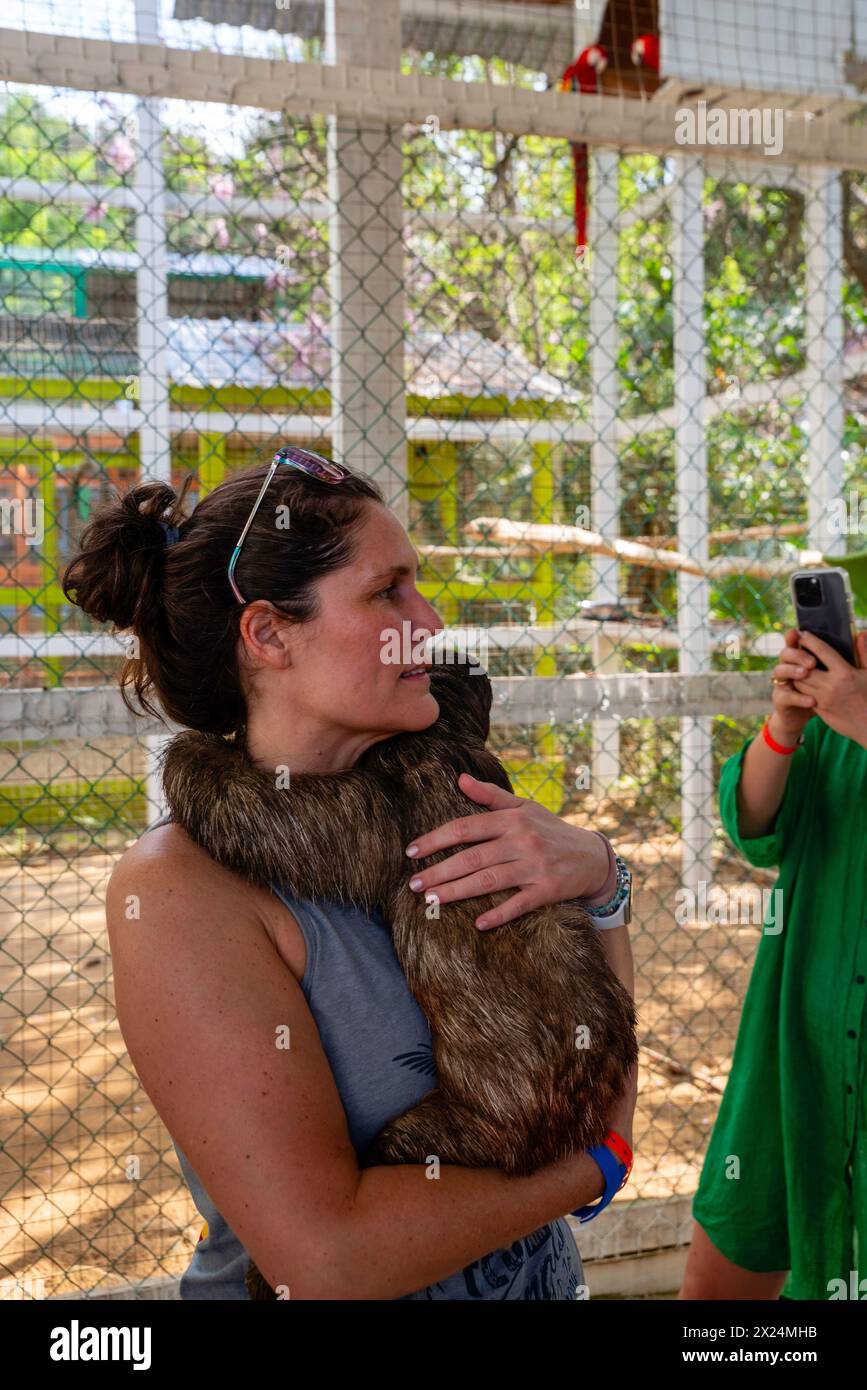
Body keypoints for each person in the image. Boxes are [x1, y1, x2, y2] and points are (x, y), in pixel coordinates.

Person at [62, 449, 637, 1301]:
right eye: (387, 592)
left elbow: (590, 1081)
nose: (430, 621)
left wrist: (600, 885)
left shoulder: (442, 788)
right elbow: (329, 1261)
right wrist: (594, 1168)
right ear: (268, 634)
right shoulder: (180, 889)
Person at [681, 625, 867, 1300]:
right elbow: (754, 828)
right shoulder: (843, 704)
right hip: (794, 1048)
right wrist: (786, 723)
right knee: (726, 1266)